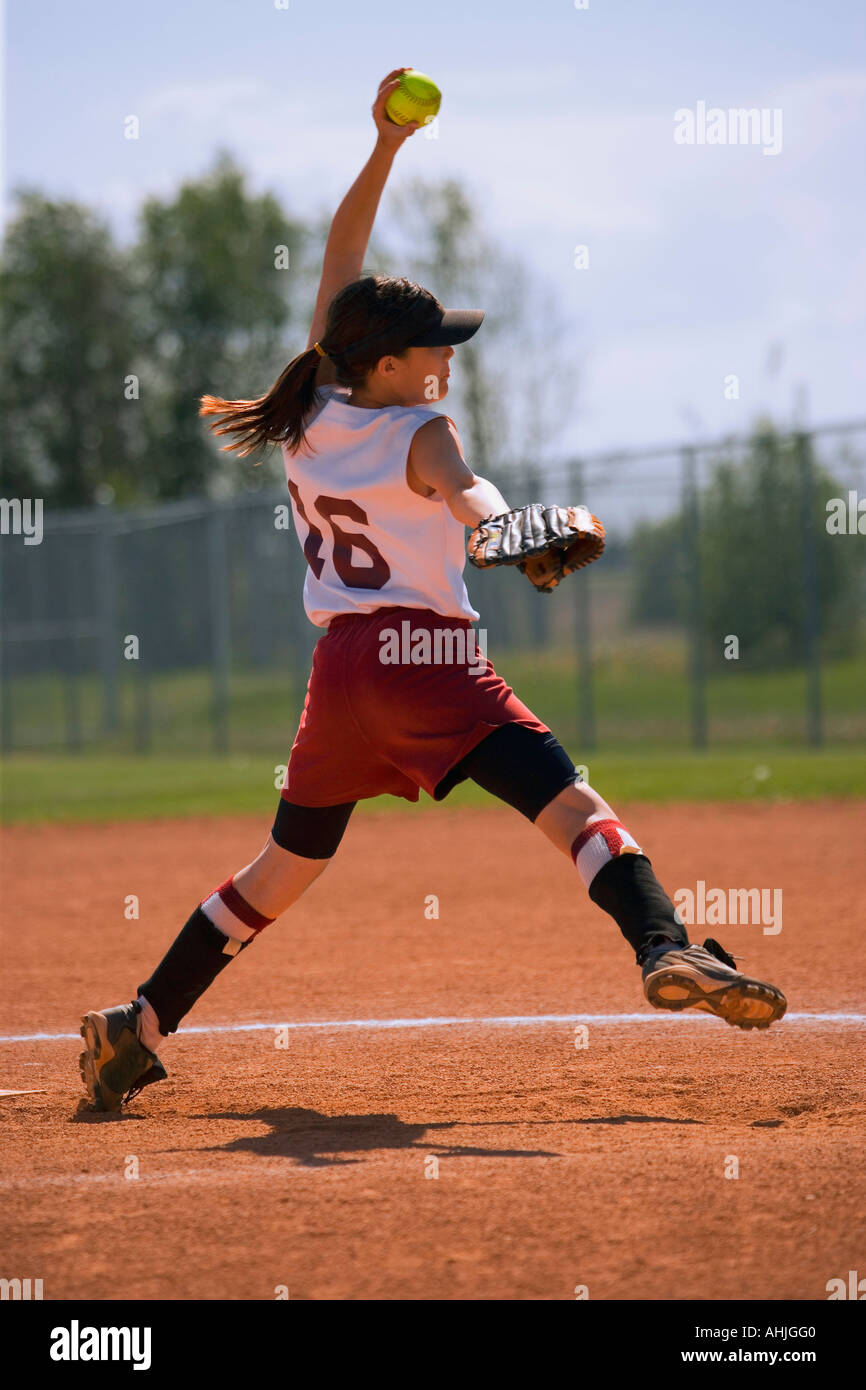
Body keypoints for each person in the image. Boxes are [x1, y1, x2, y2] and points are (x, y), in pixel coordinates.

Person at [79, 69, 785, 1113]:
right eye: (432, 350)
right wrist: (510, 531)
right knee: (575, 810)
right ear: (387, 361)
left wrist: (383, 148)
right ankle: (662, 948)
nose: (444, 363)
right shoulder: (420, 429)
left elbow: (338, 259)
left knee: (279, 869)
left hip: (341, 673)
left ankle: (132, 1029)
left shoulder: (318, 402)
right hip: (430, 661)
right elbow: (468, 496)